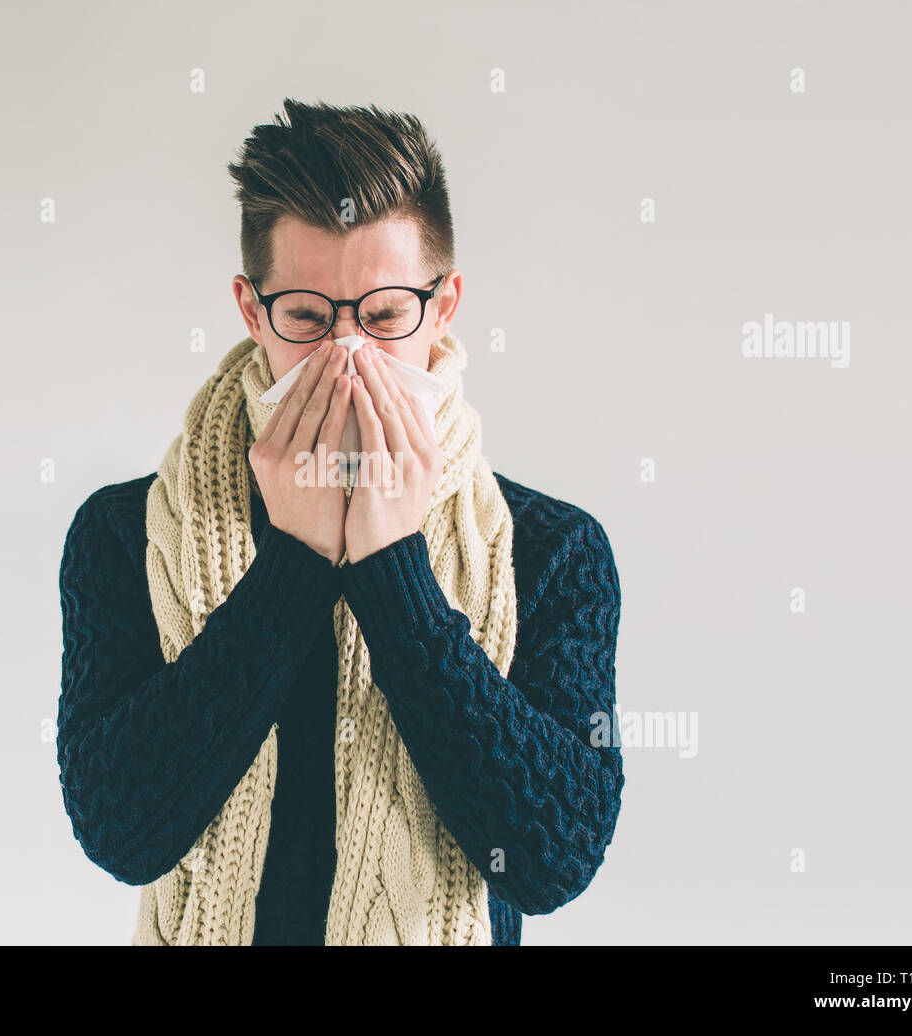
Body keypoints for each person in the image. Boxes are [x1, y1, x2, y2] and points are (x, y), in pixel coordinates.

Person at [57, 99, 624, 946]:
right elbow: (124, 833)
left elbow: (548, 860)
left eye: (386, 315)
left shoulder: (551, 551)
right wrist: (292, 559)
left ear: (446, 304)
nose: (348, 355)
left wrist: (394, 565)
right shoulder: (127, 534)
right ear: (253, 313)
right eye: (310, 318)